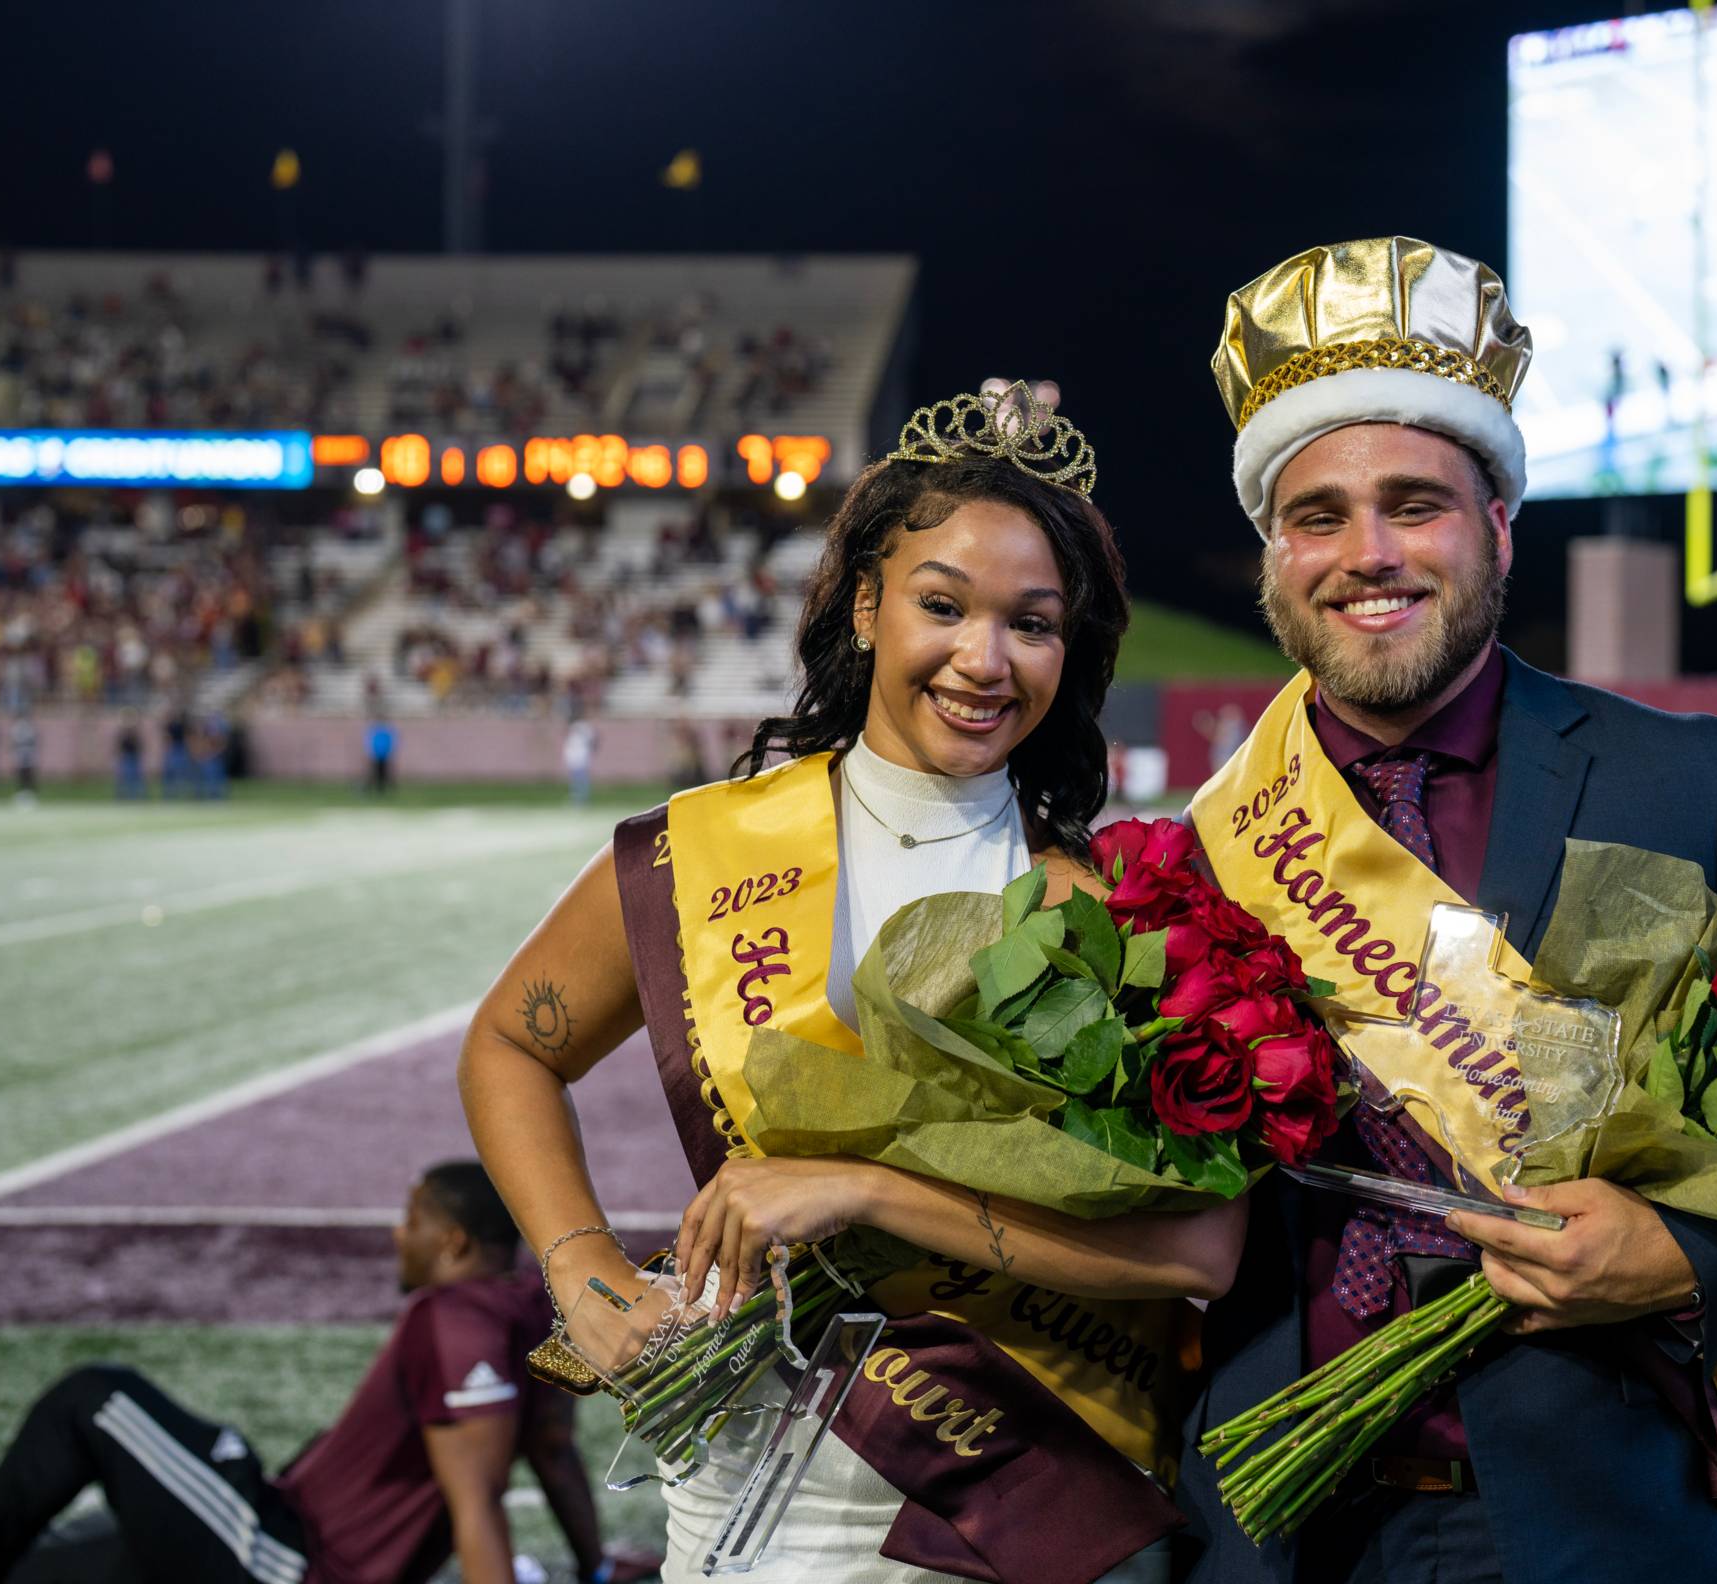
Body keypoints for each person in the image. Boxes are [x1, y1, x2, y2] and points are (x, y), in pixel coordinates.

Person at [459, 384, 1244, 1584]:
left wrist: (861, 1189)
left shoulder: (1110, 906)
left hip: (1025, 1485)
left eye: (1032, 624)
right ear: (868, 605)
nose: (984, 661)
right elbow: (511, 1046)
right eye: (943, 606)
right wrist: (582, 1268)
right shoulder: (704, 851)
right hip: (748, 1479)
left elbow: (1194, 1253)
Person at [1180, 238, 1717, 1584]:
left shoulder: (1689, 779)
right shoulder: (1191, 851)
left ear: (1498, 525)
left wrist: (1679, 1248)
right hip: (1274, 1524)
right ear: (1273, 555)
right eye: (1319, 516)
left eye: (1415, 503)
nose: (1368, 554)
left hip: (1611, 1511)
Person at [0, 1162, 656, 1584]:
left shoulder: (450, 1316)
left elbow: (477, 1506)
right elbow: (555, 1455)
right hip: (293, 1541)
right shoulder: (531, 1311)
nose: (400, 1235)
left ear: (454, 1243)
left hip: (290, 1558)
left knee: (95, 1396)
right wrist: (594, 1569)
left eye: (414, 1218)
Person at [563, 715, 598, 806]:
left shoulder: (581, 727)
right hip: (575, 758)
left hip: (580, 757)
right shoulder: (577, 728)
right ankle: (577, 799)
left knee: (580, 779)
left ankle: (582, 799)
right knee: (576, 780)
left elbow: (593, 740)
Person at [366, 714, 396, 795]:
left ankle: (382, 790)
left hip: (384, 755)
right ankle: (371, 789)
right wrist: (371, 752)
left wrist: (390, 752)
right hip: (376, 755)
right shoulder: (374, 731)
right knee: (375, 773)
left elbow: (391, 743)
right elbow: (370, 743)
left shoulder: (388, 731)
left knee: (384, 773)